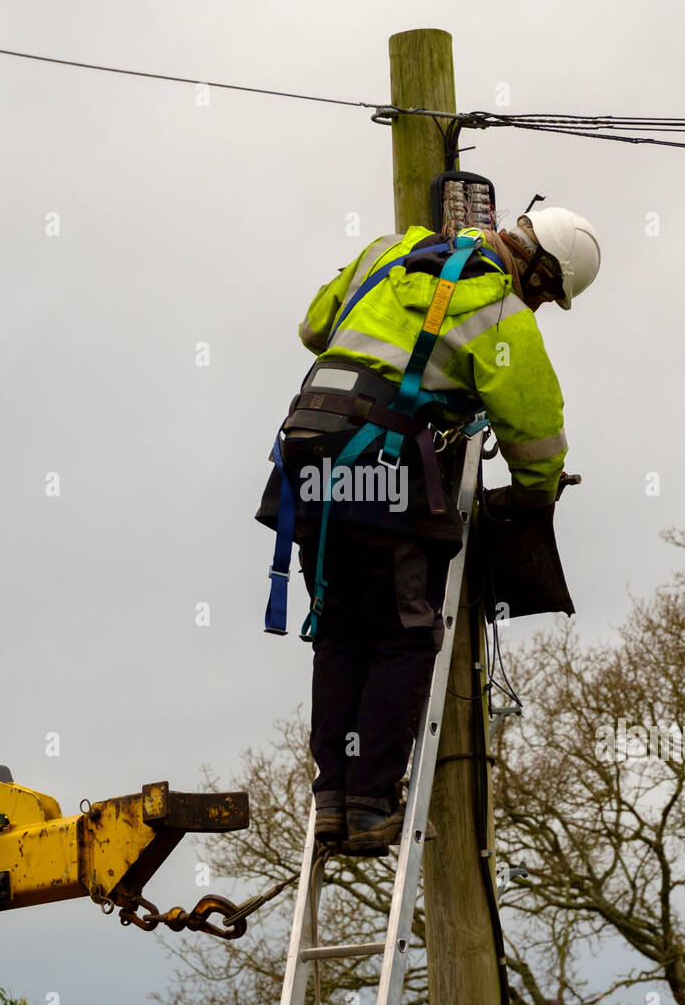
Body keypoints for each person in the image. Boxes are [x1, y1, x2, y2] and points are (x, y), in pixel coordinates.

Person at [256, 208, 600, 853]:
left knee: (339, 628)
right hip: (383, 469)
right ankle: (367, 806)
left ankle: (334, 800)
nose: (541, 306)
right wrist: (533, 498)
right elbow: (535, 436)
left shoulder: (388, 250)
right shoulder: (499, 310)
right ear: (537, 268)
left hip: (307, 456)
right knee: (404, 631)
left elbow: (314, 330)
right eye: (546, 294)